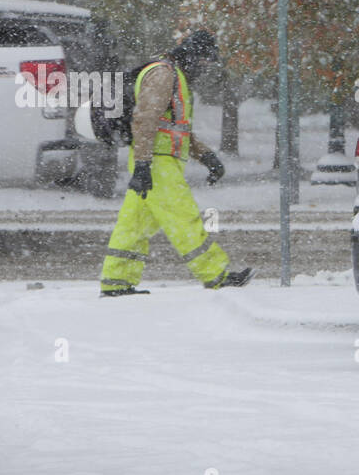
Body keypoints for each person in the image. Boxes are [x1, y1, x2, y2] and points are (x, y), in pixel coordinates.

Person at [99, 30, 253, 297]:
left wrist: (206, 156)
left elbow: (174, 128)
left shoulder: (173, 75)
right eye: (203, 62)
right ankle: (216, 274)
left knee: (134, 225)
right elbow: (145, 120)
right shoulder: (163, 74)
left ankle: (116, 281)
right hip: (157, 163)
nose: (204, 70)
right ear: (192, 56)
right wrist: (144, 165)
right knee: (184, 218)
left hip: (158, 161)